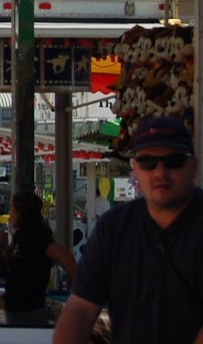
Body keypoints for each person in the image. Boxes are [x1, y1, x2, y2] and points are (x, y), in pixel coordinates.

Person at [54, 115, 203, 344]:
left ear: (194, 166)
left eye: (173, 161)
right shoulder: (114, 227)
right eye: (147, 162)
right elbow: (81, 309)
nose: (160, 172)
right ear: (135, 168)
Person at [0, 190, 75, 313]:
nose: (9, 214)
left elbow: (65, 256)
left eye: (11, 209)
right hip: (14, 309)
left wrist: (81, 295)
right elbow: (0, 270)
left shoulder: (36, 237)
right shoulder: (18, 238)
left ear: (20, 212)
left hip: (31, 311)